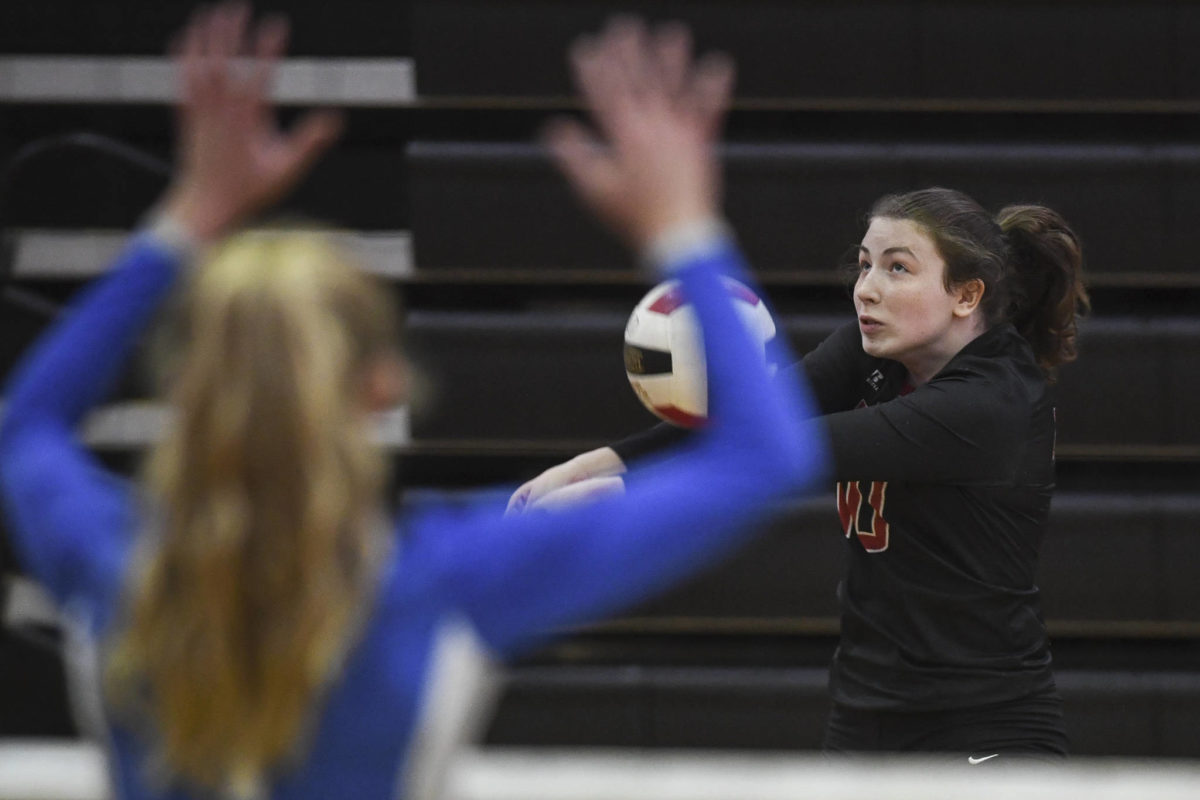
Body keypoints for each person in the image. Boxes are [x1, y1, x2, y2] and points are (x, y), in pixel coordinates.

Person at [0, 6, 827, 799]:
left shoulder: (108, 564)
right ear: (383, 385)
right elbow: (766, 456)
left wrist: (183, 223)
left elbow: (25, 426)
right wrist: (682, 226)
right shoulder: (442, 581)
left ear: (184, 378)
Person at [509, 190, 1090, 757]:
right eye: (864, 265)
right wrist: (598, 462)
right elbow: (751, 420)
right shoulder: (872, 352)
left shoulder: (992, 402)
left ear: (965, 295)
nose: (866, 289)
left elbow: (775, 452)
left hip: (983, 723)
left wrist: (617, 494)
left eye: (897, 268)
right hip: (867, 709)